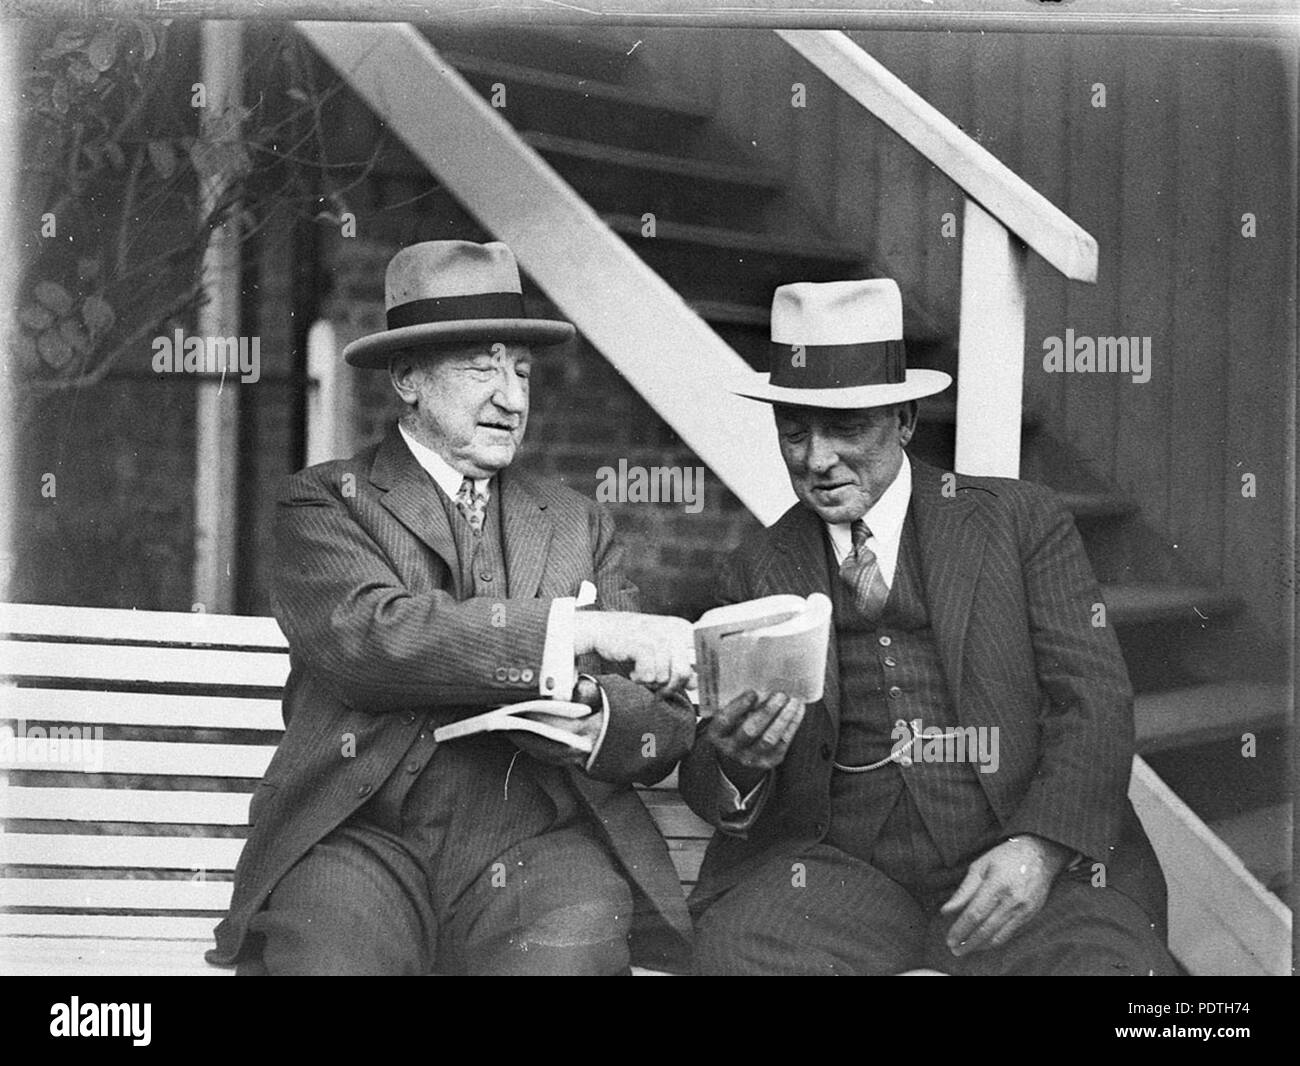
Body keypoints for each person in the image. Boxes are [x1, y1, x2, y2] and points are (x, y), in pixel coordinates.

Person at [208, 240, 696, 975]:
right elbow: (372, 640)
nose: (512, 397)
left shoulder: (576, 523)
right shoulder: (325, 502)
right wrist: (576, 631)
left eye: (522, 370)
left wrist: (599, 718)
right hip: (364, 831)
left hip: (536, 844)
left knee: (571, 958)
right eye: (481, 368)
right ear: (407, 377)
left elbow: (663, 714)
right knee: (331, 960)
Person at [680, 278, 1176, 976]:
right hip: (838, 876)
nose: (817, 460)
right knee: (736, 955)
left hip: (1008, 858)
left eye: (846, 427)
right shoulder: (755, 569)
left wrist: (1040, 848)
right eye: (794, 431)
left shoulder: (1018, 522)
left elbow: (1093, 701)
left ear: (906, 419)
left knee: (1108, 968)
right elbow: (708, 778)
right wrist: (737, 761)